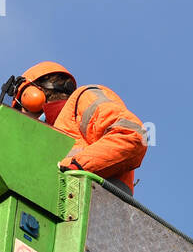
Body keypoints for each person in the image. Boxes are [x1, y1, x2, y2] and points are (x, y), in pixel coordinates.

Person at [9, 62, 147, 195]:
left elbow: (132, 134)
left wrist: (73, 169)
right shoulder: (48, 136)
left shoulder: (82, 99)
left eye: (20, 107)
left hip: (99, 208)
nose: (21, 116)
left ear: (31, 96)